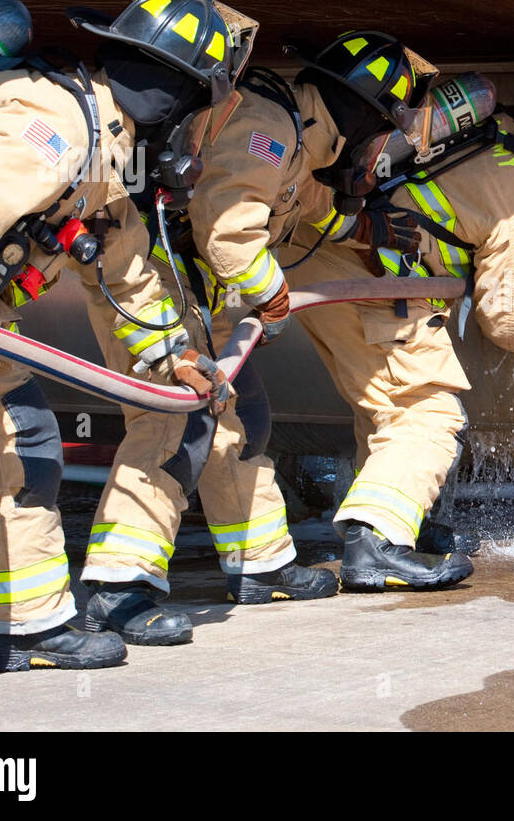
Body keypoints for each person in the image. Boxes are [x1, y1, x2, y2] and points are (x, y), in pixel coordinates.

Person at [0, 0, 237, 715]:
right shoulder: (56, 119)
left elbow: (125, 265)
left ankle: (28, 624)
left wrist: (171, 352)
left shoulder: (102, 144)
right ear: (175, 96)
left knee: (28, 440)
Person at [282, 32, 514, 592]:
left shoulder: (490, 128)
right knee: (427, 412)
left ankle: (405, 516)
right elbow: (507, 322)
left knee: (383, 405)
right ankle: (376, 542)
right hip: (375, 280)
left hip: (317, 247)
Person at [79, 60, 341, 647]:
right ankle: (120, 582)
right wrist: (268, 294)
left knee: (240, 415)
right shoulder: (271, 126)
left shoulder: (294, 140)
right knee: (173, 422)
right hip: (142, 282)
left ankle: (261, 563)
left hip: (187, 284)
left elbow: (304, 206)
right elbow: (228, 231)